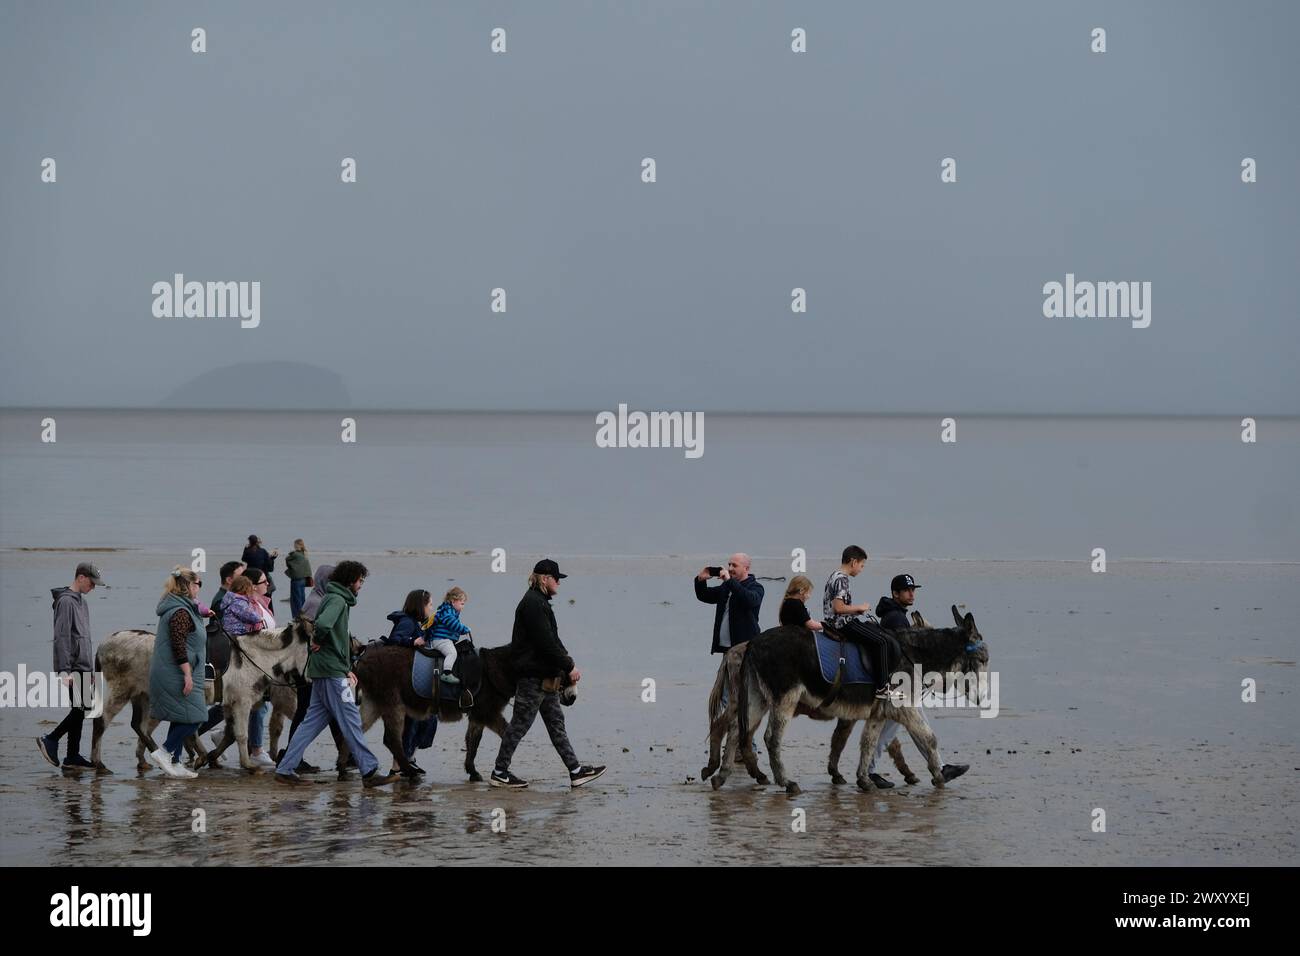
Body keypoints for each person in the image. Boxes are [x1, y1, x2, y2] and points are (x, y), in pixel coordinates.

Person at [274, 561, 396, 787]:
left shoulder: (334, 598)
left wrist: (345, 665)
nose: (361, 585)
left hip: (326, 669)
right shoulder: (338, 600)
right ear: (350, 581)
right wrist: (319, 642)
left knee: (310, 723)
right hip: (331, 672)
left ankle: (285, 767)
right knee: (350, 718)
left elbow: (333, 635)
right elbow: (322, 625)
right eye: (360, 581)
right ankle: (369, 771)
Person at [490, 560, 605, 790]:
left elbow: (553, 640)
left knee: (556, 725)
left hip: (547, 678)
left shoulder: (540, 602)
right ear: (544, 578)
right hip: (532, 678)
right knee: (519, 725)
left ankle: (575, 772)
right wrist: (569, 666)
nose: (559, 582)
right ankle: (499, 772)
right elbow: (545, 644)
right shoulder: (532, 604)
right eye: (556, 578)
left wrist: (567, 664)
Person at [37, 562, 105, 770]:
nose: (93, 587)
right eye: (92, 583)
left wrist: (91, 670)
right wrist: (63, 670)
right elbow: (62, 638)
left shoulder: (81, 602)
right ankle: (51, 739)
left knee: (85, 708)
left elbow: (84, 638)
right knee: (81, 709)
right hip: (72, 666)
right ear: (81, 577)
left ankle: (72, 755)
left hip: (84, 666)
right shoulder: (66, 602)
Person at [282, 563, 345, 774]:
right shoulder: (318, 603)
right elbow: (318, 633)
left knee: (326, 710)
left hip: (308, 664)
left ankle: (345, 755)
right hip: (307, 666)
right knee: (306, 711)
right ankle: (294, 757)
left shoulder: (315, 599)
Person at [146, 567, 208, 779]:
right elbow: (178, 645)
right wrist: (187, 674)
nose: (200, 588)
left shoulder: (182, 607)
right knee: (196, 717)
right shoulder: (180, 612)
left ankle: (175, 761)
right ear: (189, 586)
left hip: (175, 670)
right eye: (199, 584)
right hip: (175, 672)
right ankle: (164, 752)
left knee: (180, 716)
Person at [823, 546, 902, 702]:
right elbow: (838, 608)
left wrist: (855, 611)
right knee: (882, 641)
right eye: (861, 565)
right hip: (842, 624)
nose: (861, 569)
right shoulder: (842, 579)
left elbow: (838, 607)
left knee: (875, 631)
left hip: (838, 621)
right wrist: (859, 607)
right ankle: (882, 687)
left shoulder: (835, 575)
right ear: (853, 562)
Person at [695, 553, 765, 726]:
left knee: (743, 696)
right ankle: (742, 739)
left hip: (745, 651)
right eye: (729, 565)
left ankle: (746, 741)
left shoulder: (756, 587)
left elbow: (749, 601)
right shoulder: (727, 588)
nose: (730, 569)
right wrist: (700, 579)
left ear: (746, 568)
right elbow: (704, 596)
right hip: (728, 652)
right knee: (727, 696)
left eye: (734, 565)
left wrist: (730, 582)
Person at [868, 573, 922, 788]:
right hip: (896, 685)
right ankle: (869, 772)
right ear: (895, 593)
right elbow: (905, 653)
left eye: (913, 589)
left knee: (911, 727)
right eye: (907, 590)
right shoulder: (897, 618)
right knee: (888, 731)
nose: (912, 593)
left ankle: (940, 766)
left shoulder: (896, 614)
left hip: (897, 684)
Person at [382, 589, 439, 775]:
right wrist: (412, 641)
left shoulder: (417, 622)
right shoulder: (407, 621)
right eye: (430, 604)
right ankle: (398, 765)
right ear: (420, 605)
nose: (432, 608)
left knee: (425, 718)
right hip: (403, 683)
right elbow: (393, 641)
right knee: (412, 721)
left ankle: (409, 758)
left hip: (412, 680)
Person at [240, 567, 277, 768]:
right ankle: (256, 749)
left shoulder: (261, 603)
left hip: (265, 663)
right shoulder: (251, 606)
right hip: (254, 663)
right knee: (259, 706)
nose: (268, 585)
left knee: (258, 706)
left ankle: (224, 736)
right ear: (253, 586)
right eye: (264, 582)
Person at [426, 587, 472, 683]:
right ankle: (446, 673)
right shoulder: (448, 612)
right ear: (453, 601)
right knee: (452, 653)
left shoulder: (448, 611)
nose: (463, 607)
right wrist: (464, 629)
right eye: (462, 603)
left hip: (442, 639)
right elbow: (452, 623)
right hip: (441, 639)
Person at [240, 534, 278, 609]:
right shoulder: (263, 552)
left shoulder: (248, 552)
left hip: (250, 579)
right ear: (257, 542)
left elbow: (243, 559)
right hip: (262, 578)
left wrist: (245, 548)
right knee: (267, 600)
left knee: (252, 601)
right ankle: (269, 616)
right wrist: (272, 558)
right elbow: (270, 567)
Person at [284, 539, 312, 620]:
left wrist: (291, 553)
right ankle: (304, 616)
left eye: (295, 544)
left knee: (296, 600)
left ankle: (297, 618)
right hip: (303, 580)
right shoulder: (304, 554)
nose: (294, 546)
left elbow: (287, 560)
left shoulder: (295, 554)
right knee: (302, 598)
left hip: (296, 580)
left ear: (298, 545)